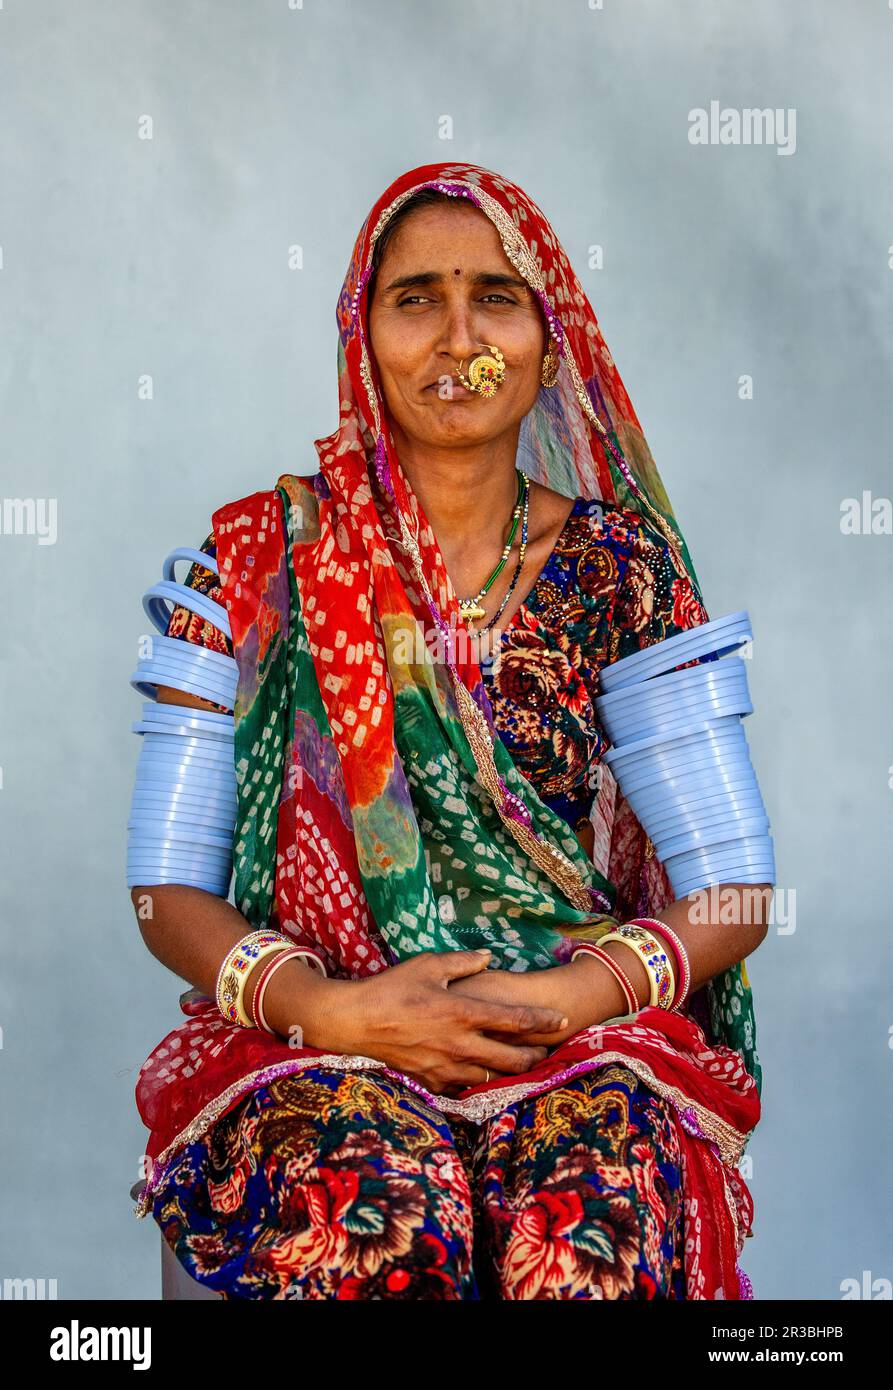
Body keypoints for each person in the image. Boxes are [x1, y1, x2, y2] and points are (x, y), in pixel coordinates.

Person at [128, 161, 770, 1300]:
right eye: (416, 296)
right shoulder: (252, 564)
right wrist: (331, 1010)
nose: (457, 336)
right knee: (361, 1223)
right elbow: (165, 898)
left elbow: (730, 891)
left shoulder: (619, 573)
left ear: (546, 334)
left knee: (585, 1243)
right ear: (362, 334)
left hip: (569, 1035)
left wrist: (568, 1001)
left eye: (497, 297)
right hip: (322, 1040)